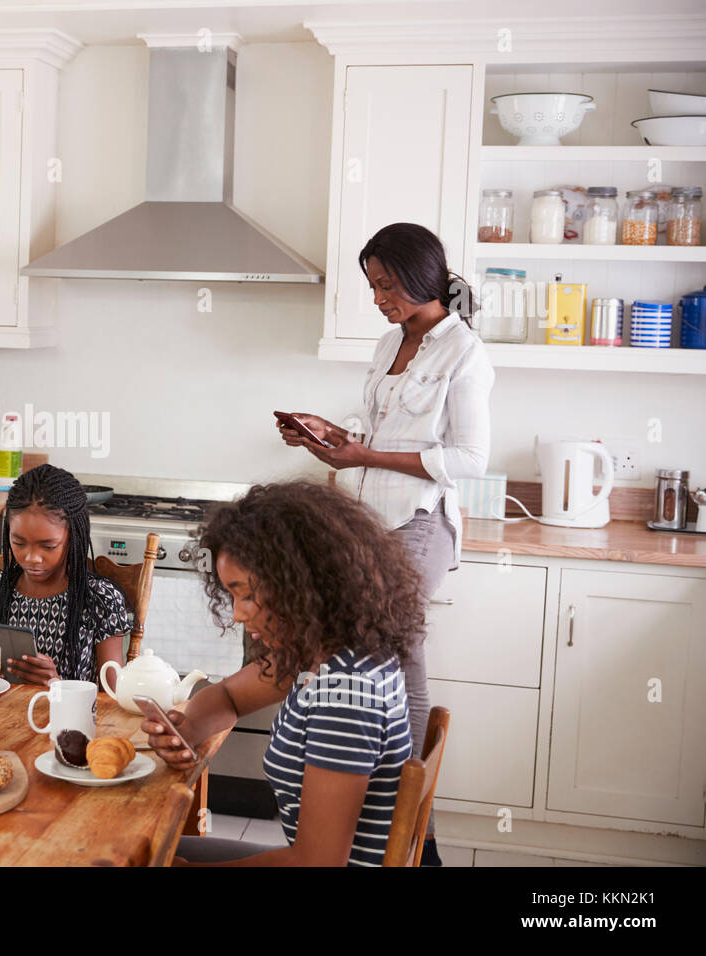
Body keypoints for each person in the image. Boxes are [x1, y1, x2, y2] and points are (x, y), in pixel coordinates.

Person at [276, 222, 493, 865]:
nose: (379, 298)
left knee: (395, 651)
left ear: (424, 278)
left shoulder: (463, 350)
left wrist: (365, 451)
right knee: (385, 659)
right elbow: (371, 440)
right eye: (372, 286)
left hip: (421, 523)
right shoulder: (388, 343)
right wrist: (328, 438)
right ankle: (387, 826)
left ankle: (408, 830)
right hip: (367, 524)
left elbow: (471, 458)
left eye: (388, 285)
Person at [142, 481, 427, 866]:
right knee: (143, 848)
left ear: (301, 584)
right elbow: (229, 696)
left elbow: (317, 862)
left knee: (134, 853)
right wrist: (188, 729)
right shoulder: (325, 650)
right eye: (231, 596)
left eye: (246, 594)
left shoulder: (344, 696)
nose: (238, 614)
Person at [0, 464, 131, 685]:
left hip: (70, 719)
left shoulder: (101, 600)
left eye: (48, 546)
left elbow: (113, 700)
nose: (32, 558)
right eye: (18, 542)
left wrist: (57, 685)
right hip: (0, 718)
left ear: (74, 537)